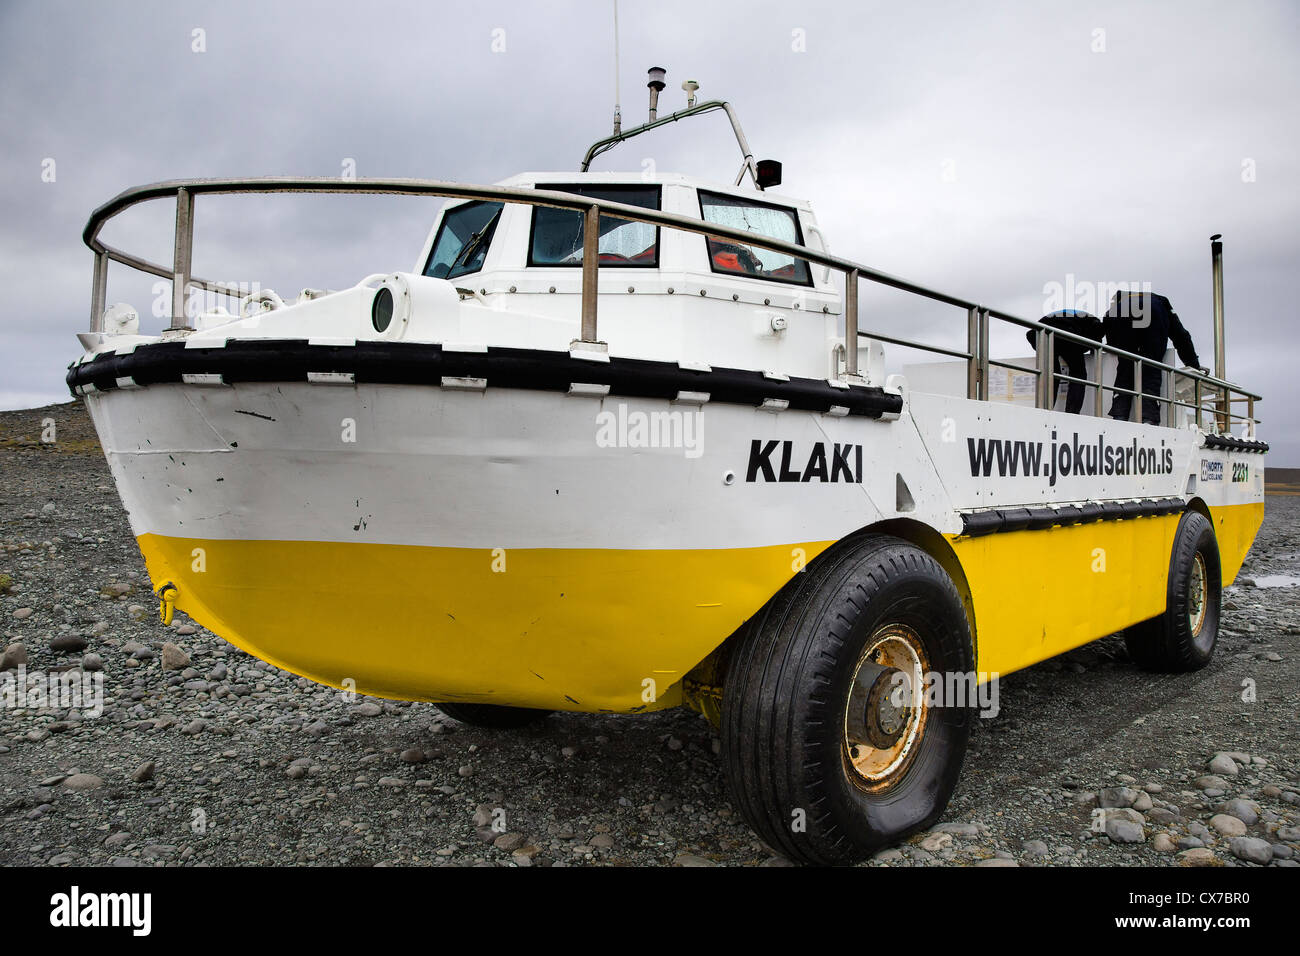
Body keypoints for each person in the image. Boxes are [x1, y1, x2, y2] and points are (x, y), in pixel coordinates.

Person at [1103, 291, 1206, 425]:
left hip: (1121, 315)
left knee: (1125, 367)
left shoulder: (1119, 304)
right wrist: (1193, 364)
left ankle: (1119, 417)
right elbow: (1181, 336)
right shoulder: (1162, 301)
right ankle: (1149, 419)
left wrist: (1115, 345)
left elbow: (1107, 323)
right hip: (1154, 312)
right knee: (1151, 367)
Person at [1025, 309, 1103, 414]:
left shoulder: (1074, 315)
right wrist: (1094, 349)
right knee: (1078, 373)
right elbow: (1097, 334)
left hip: (1040, 333)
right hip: (1065, 332)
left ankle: (1045, 410)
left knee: (1052, 374)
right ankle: (1072, 412)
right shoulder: (1094, 321)